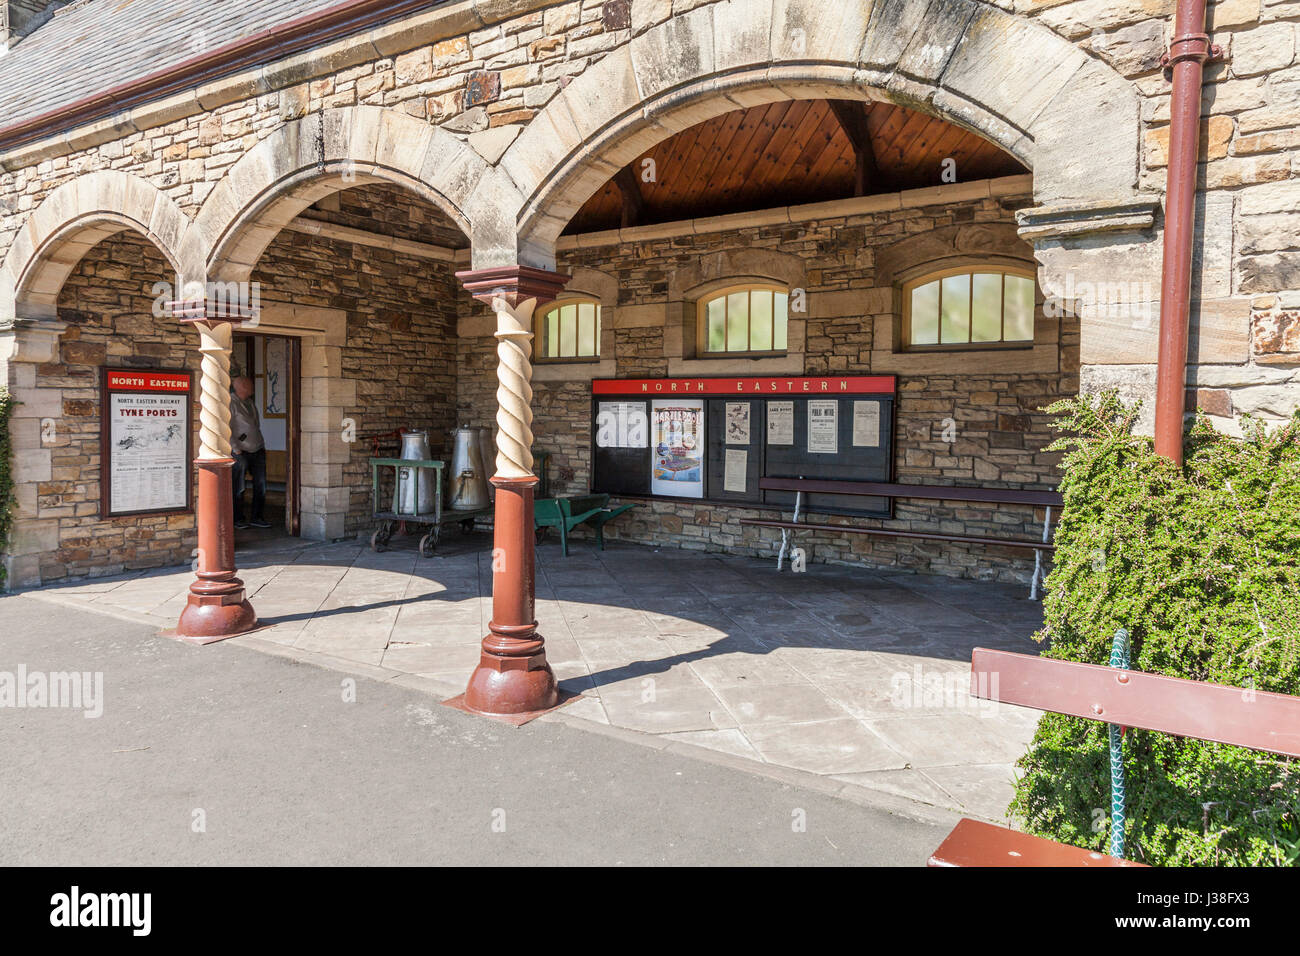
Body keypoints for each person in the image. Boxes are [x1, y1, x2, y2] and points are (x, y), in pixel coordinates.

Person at [229, 376, 270, 529]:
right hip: (240, 451)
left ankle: (257, 517)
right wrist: (235, 449)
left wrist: (261, 444)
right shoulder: (230, 403)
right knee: (238, 486)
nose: (252, 388)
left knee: (261, 484)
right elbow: (226, 428)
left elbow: (255, 424)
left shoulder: (250, 403)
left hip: (257, 448)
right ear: (242, 387)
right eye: (250, 385)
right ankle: (237, 519)